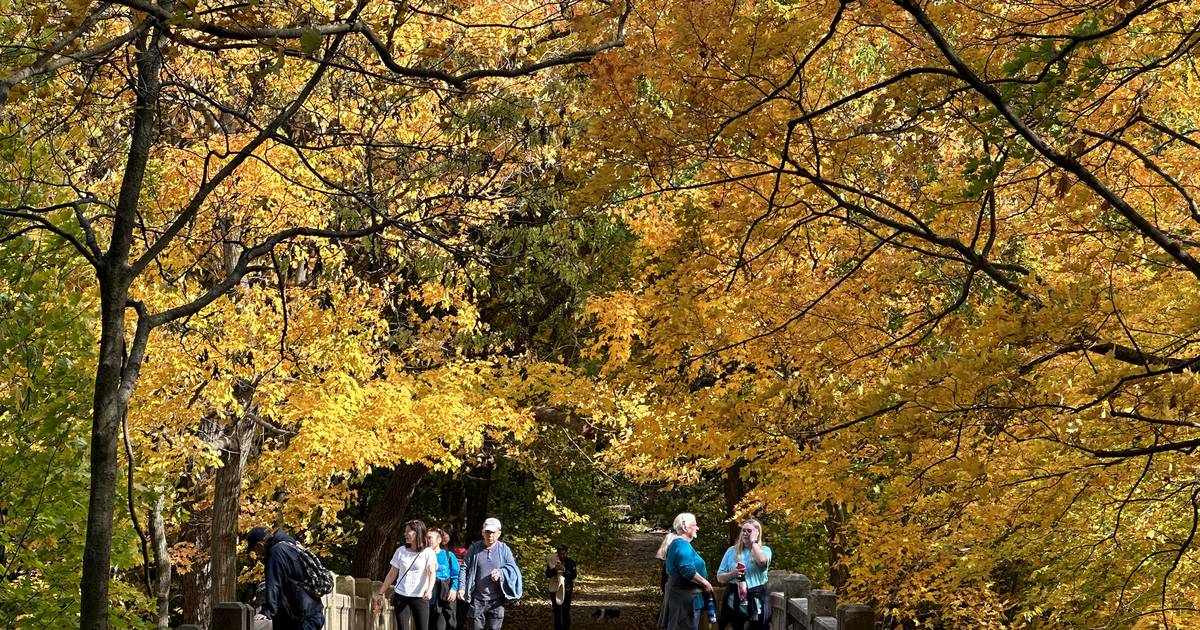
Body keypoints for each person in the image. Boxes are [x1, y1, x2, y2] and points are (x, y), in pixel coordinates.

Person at [245, 526, 325, 630]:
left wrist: (267, 611)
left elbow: (274, 585)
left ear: (260, 545)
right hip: (312, 611)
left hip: (302, 617)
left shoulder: (276, 553)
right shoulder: (288, 544)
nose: (256, 554)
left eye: (255, 550)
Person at [457, 517, 523, 630]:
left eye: (493, 532)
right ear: (483, 532)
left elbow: (513, 569)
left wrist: (501, 573)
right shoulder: (474, 548)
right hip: (477, 599)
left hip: (497, 601)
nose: (490, 535)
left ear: (499, 533)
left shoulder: (504, 549)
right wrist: (461, 587)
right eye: (487, 532)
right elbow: (464, 567)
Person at [375, 520, 439, 630]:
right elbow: (391, 574)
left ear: (417, 533)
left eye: (408, 531)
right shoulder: (401, 551)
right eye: (406, 531)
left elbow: (432, 572)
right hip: (401, 594)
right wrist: (380, 593)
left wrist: (429, 590)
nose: (406, 534)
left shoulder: (428, 552)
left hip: (420, 596)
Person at [657, 513, 714, 630]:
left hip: (681, 598)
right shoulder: (682, 545)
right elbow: (687, 570)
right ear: (684, 528)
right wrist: (705, 583)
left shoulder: (677, 544)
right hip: (686, 601)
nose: (697, 528)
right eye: (695, 525)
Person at [716, 519, 772, 630]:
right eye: (743, 530)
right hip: (734, 604)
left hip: (756, 604)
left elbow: (762, 561)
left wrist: (754, 542)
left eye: (749, 531)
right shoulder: (731, 551)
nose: (745, 533)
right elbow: (720, 577)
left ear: (757, 533)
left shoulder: (764, 550)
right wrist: (732, 574)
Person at [429, 527, 461, 630]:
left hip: (445, 596)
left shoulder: (448, 555)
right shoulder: (423, 555)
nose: (427, 540)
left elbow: (456, 574)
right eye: (426, 538)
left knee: (447, 624)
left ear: (439, 540)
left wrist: (454, 588)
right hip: (428, 597)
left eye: (430, 538)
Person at [545, 545, 577, 630]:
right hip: (555, 589)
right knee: (556, 611)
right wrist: (555, 569)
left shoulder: (571, 562)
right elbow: (548, 574)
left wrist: (565, 570)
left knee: (565, 611)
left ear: (566, 553)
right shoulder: (553, 561)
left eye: (563, 554)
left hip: (567, 589)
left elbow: (573, 576)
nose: (561, 556)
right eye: (559, 554)